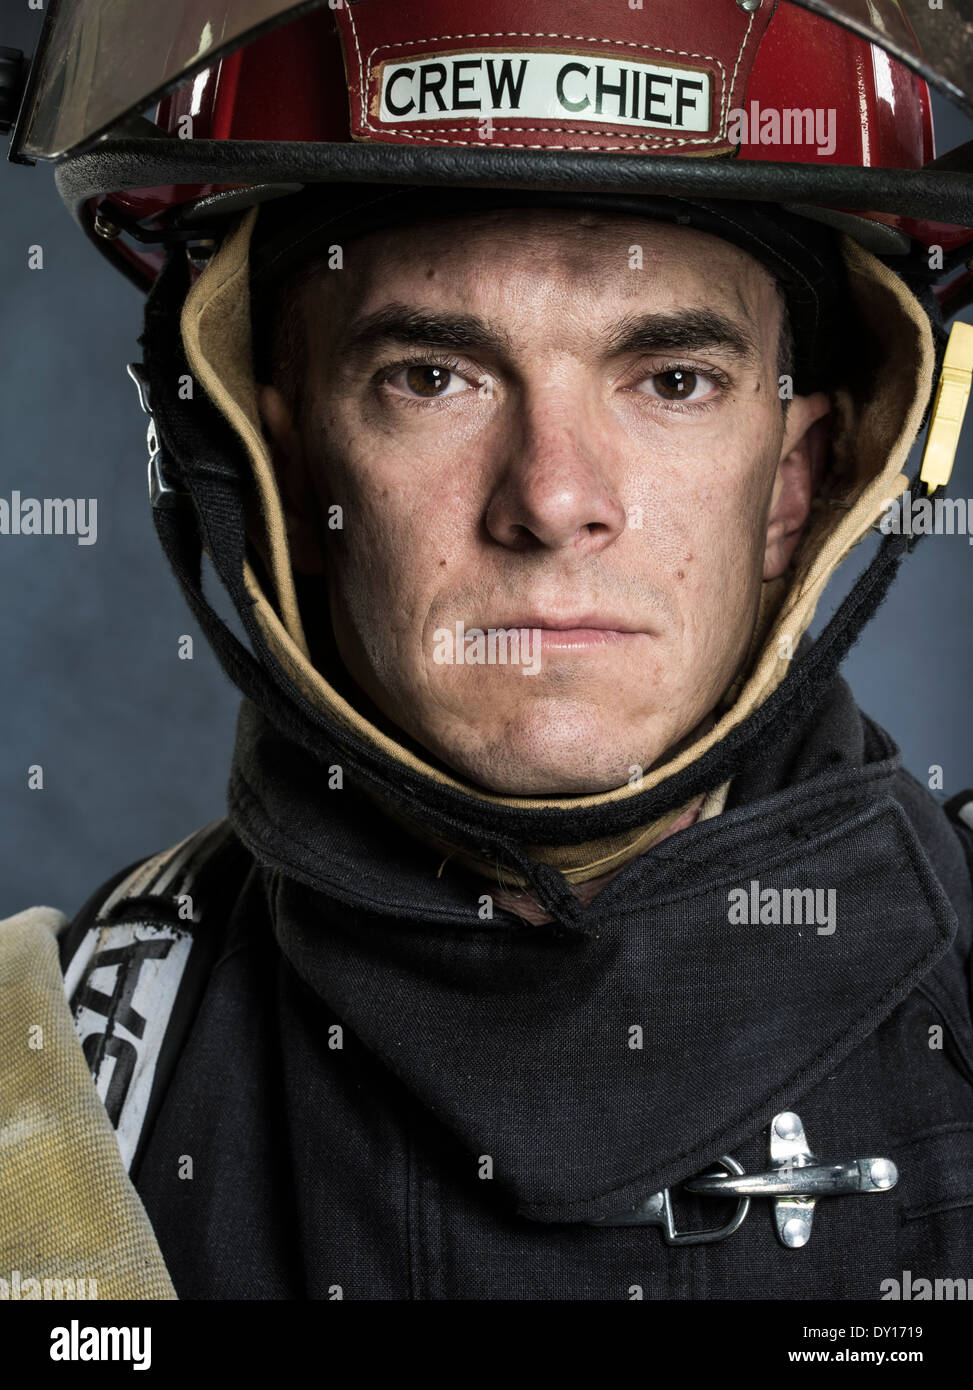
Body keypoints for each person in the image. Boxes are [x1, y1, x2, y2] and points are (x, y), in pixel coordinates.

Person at [2, 0, 973, 1302]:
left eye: (670, 378)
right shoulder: (40, 1108)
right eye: (430, 375)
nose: (552, 495)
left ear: (799, 483)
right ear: (281, 465)